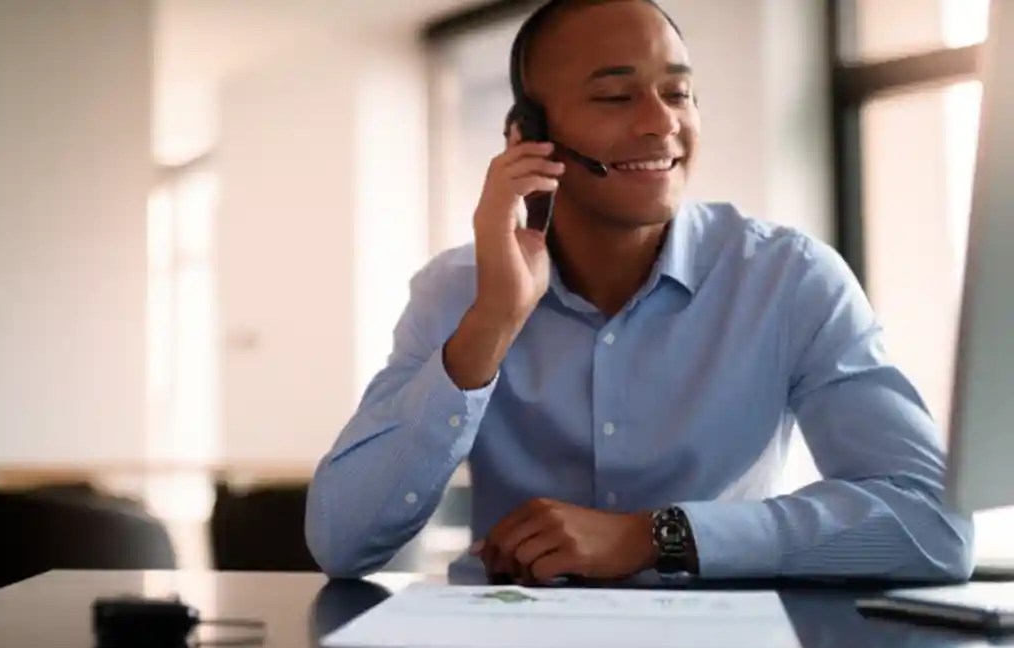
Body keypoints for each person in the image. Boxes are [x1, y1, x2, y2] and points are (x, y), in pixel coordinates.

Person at [304, 0, 974, 583]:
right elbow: (343, 541)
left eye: (678, 93)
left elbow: (934, 526)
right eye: (615, 97)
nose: (661, 125)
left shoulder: (790, 279)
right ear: (527, 139)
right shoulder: (456, 290)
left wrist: (655, 536)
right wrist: (491, 325)